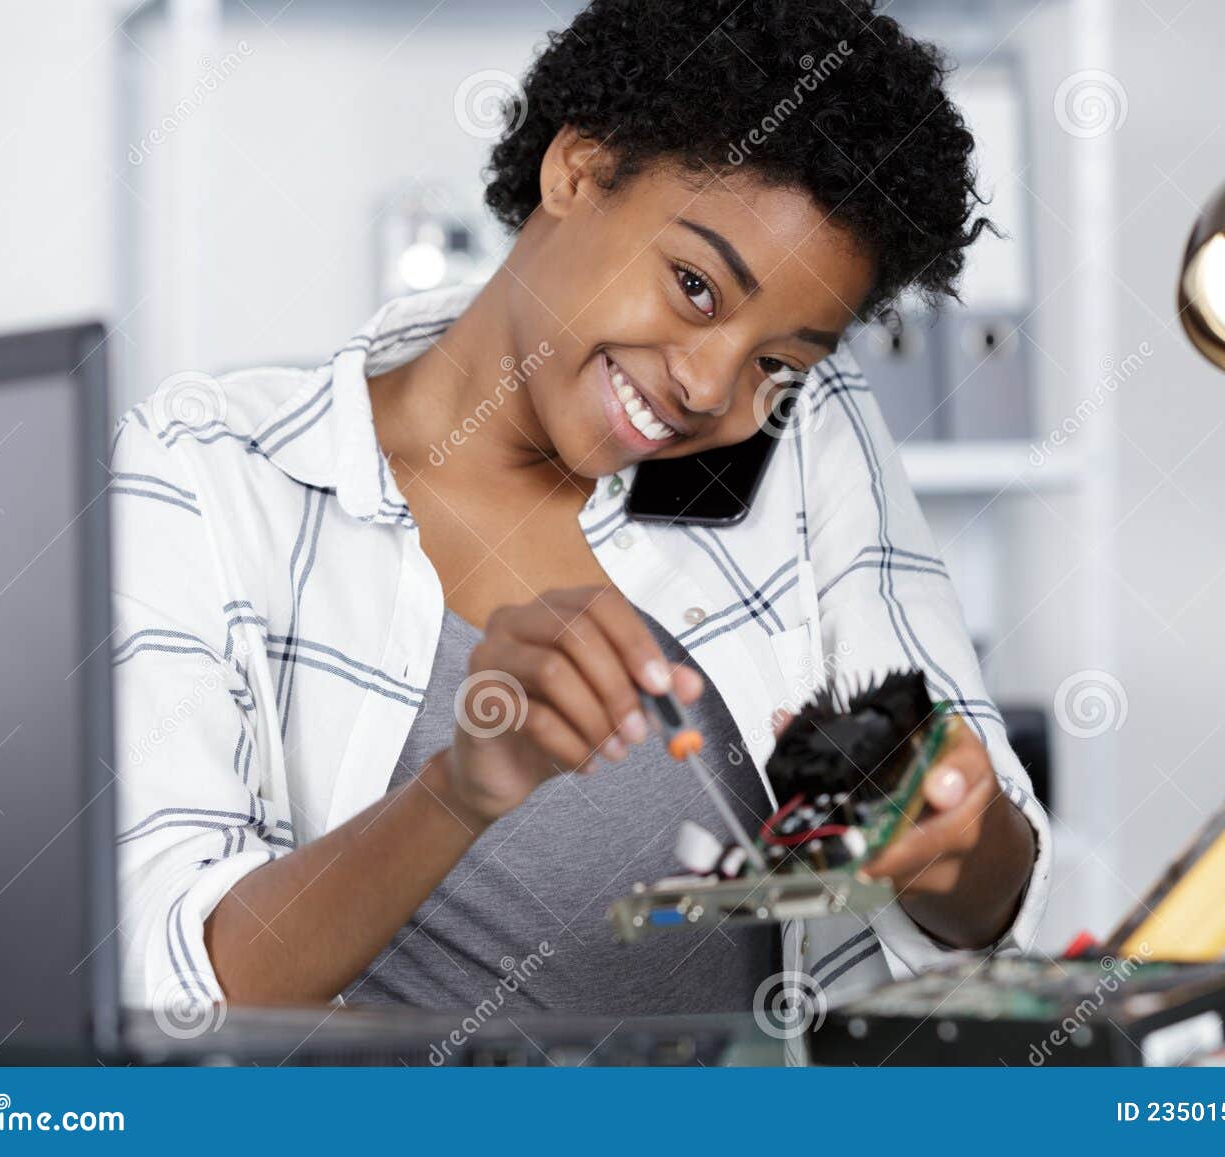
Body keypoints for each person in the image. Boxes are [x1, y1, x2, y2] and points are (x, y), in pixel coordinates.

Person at [111, 0, 1050, 1026]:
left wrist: (952, 832)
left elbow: (992, 897)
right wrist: (457, 789)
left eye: (775, 359)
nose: (708, 386)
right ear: (577, 171)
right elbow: (175, 989)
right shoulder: (213, 476)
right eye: (695, 286)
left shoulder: (800, 433)